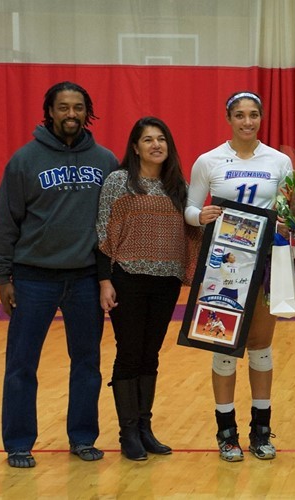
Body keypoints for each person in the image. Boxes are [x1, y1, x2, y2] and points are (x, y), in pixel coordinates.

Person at [0, 81, 118, 468]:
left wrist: (108, 276)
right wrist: (3, 277)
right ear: (49, 111)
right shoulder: (25, 160)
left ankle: (82, 437)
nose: (71, 114)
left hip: (84, 279)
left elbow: (115, 223)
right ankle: (18, 443)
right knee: (21, 364)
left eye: (78, 107)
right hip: (33, 277)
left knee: (87, 363)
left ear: (87, 112)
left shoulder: (105, 161)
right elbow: (5, 222)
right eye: (63, 107)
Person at [185, 91, 292, 462]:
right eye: (240, 115)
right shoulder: (209, 161)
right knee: (224, 349)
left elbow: (289, 209)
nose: (247, 121)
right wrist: (200, 217)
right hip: (223, 265)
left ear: (261, 118)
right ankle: (226, 432)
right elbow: (190, 208)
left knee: (261, 348)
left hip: (263, 265)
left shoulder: (279, 161)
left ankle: (260, 430)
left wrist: (288, 221)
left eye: (253, 115)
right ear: (228, 118)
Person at [97, 116, 198, 461]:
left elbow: (193, 230)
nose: (156, 145)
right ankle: (128, 432)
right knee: (129, 353)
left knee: (150, 354)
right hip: (127, 278)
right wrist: (105, 280)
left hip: (167, 281)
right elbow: (102, 231)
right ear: (136, 147)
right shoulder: (119, 181)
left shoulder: (179, 185)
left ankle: (144, 428)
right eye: (148, 139)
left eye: (161, 139)